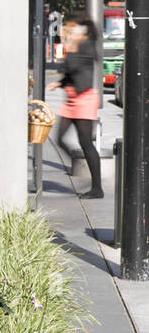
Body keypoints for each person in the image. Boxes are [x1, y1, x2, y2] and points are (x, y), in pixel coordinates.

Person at [47, 13, 103, 198]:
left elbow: (75, 67)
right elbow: (69, 71)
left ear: (81, 28)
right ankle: (77, 163)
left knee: (85, 142)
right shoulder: (76, 44)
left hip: (84, 99)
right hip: (71, 100)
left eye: (71, 26)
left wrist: (70, 44)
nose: (69, 29)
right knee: (60, 138)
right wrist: (60, 83)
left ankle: (97, 188)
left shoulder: (87, 44)